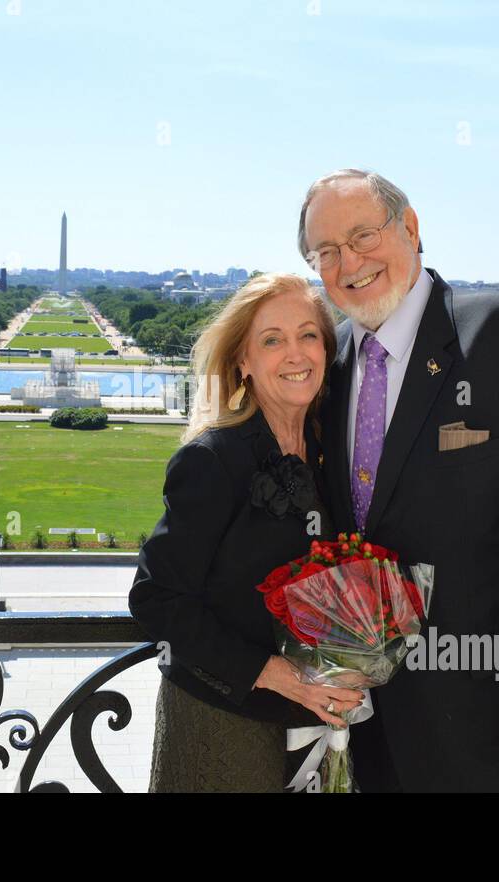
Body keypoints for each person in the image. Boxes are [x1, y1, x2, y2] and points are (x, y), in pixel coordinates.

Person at [298, 169, 499, 793]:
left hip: (495, 730)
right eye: (325, 252)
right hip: (372, 732)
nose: (347, 262)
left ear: (410, 229)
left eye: (361, 236)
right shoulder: (328, 363)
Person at [129, 272, 365, 792]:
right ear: (243, 362)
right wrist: (280, 675)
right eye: (272, 340)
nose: (295, 353)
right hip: (222, 725)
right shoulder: (213, 459)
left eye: (308, 335)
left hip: (318, 727)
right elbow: (156, 599)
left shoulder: (335, 455)